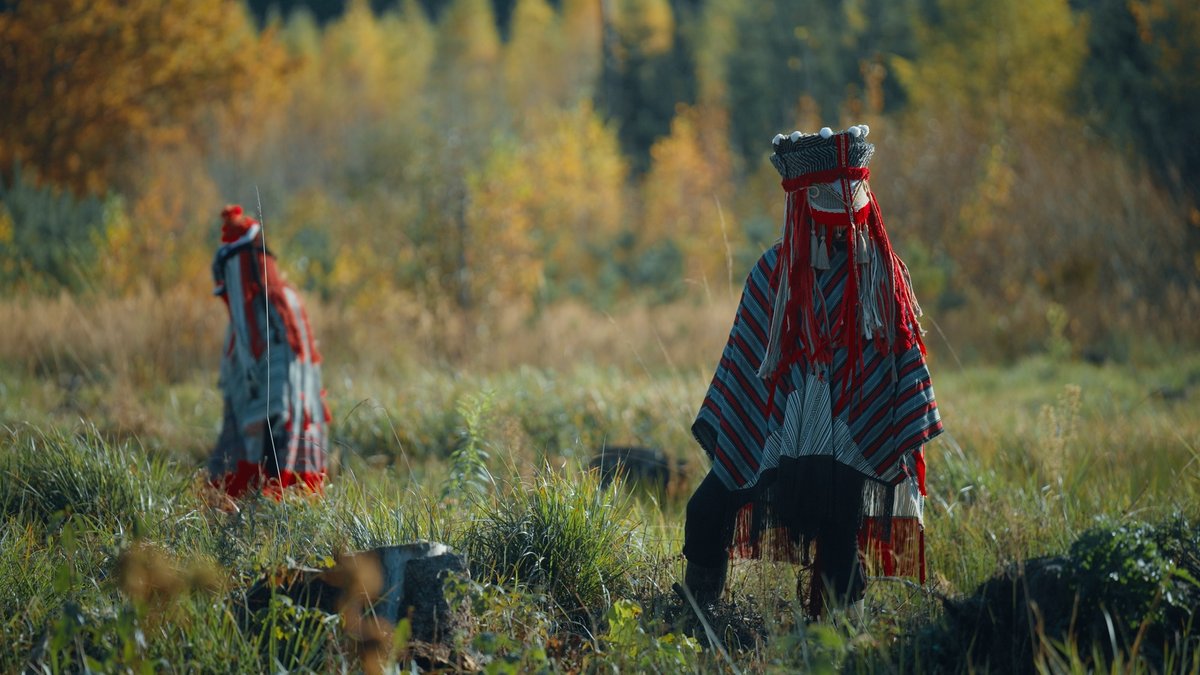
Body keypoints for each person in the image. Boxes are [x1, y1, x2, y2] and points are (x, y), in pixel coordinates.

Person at [681, 125, 943, 618]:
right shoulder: (772, 274)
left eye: (851, 212)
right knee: (705, 512)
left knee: (839, 542)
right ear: (801, 207)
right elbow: (746, 370)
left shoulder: (882, 274)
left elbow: (899, 368)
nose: (843, 224)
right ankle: (695, 619)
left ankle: (839, 646)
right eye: (830, 213)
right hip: (772, 433)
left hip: (852, 446)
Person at [207, 204, 331, 500]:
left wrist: (264, 410)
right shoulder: (255, 309)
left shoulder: (274, 307)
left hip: (280, 418)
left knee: (276, 473)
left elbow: (284, 379)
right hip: (263, 415)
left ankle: (270, 515)